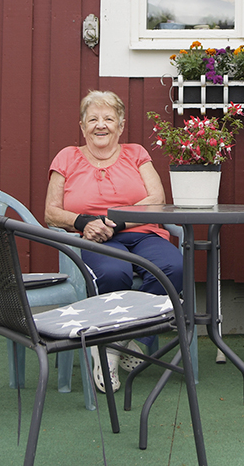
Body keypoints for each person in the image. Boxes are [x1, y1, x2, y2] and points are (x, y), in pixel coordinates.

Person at [45, 90, 183, 392]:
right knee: (113, 272)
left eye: (108, 118)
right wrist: (83, 222)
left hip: (142, 231)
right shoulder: (67, 157)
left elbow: (157, 199)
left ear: (120, 125)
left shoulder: (136, 154)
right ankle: (117, 344)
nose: (101, 125)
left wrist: (118, 221)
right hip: (93, 238)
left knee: (172, 267)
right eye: (92, 119)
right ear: (82, 127)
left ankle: (115, 343)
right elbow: (51, 212)